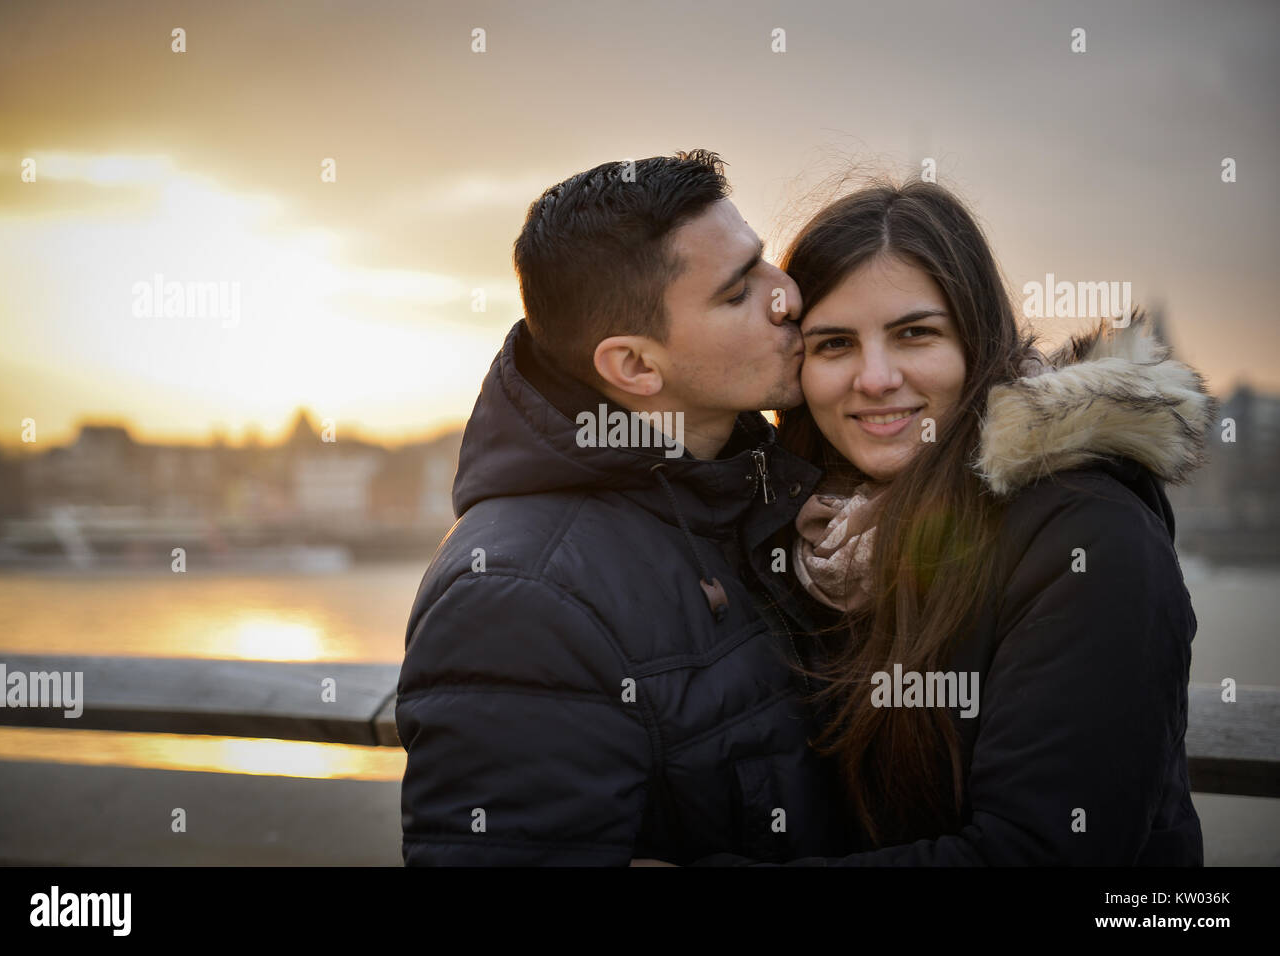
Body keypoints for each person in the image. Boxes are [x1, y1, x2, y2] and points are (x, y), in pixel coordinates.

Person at [696, 179, 1216, 865]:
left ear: (978, 341)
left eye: (915, 334)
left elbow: (1039, 853)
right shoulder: (794, 538)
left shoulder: (1090, 542)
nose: (875, 378)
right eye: (833, 344)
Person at [396, 150, 854, 865]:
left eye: (761, 261)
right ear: (635, 366)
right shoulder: (519, 596)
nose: (787, 295)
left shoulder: (755, 491)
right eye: (738, 293)